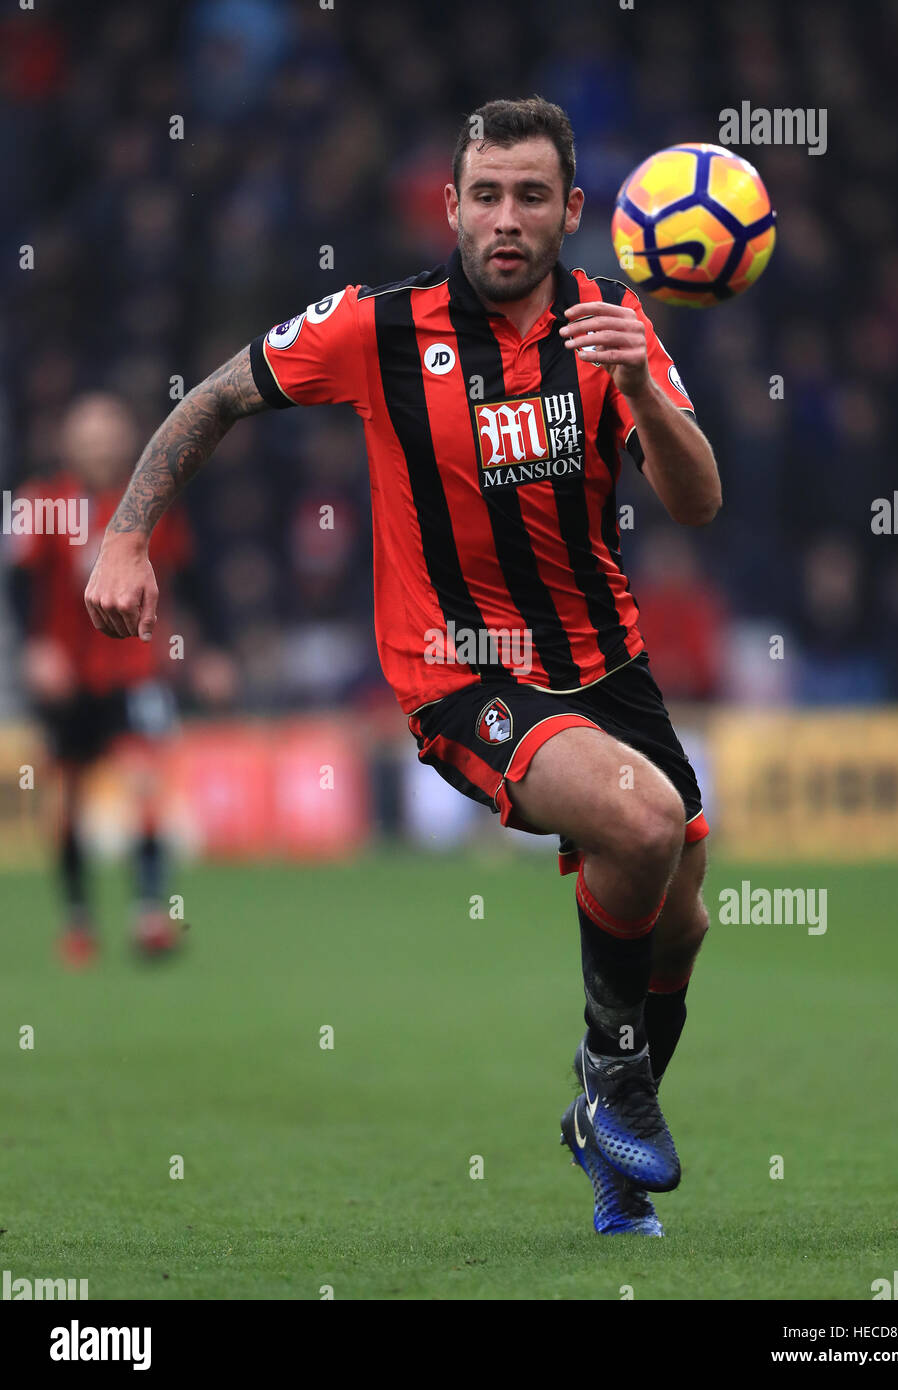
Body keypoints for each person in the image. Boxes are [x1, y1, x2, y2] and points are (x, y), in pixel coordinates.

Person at [84, 97, 721, 1235]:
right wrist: (129, 530)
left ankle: (605, 1135)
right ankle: (613, 1081)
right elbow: (220, 394)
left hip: (606, 667)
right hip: (459, 671)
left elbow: (698, 498)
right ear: (451, 204)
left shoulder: (611, 322)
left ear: (571, 210)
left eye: (531, 196)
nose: (506, 218)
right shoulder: (377, 328)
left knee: (679, 924)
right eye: (485, 194)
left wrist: (637, 389)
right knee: (640, 821)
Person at [12, 393, 190, 964]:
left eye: (108, 433)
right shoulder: (41, 503)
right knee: (68, 799)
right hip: (67, 675)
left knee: (144, 780)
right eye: (87, 434)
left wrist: (198, 650)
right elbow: (16, 583)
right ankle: (78, 919)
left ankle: (148, 912)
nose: (99, 444)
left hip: (132, 666)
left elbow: (184, 578)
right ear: (69, 441)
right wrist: (36, 647)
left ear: (125, 438)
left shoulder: (150, 499)